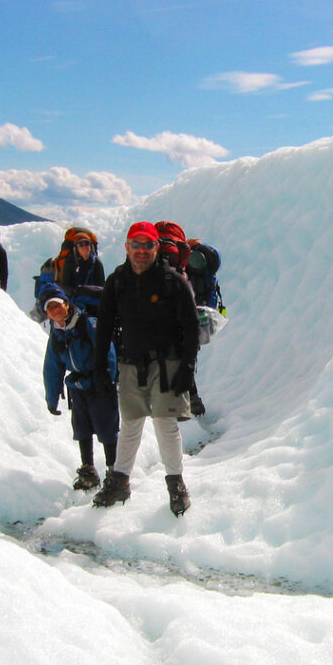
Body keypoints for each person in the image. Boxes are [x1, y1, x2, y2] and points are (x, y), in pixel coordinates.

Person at [92, 221, 200, 516]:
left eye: (148, 245)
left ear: (156, 247)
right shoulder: (117, 281)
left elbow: (191, 328)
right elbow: (104, 325)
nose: (142, 251)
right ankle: (120, 481)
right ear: (127, 247)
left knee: (165, 425)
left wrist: (187, 369)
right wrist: (99, 366)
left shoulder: (172, 281)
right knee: (130, 424)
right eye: (136, 245)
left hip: (167, 363)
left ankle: (176, 485)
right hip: (131, 363)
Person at [41, 284, 119, 491]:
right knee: (82, 429)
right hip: (77, 386)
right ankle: (88, 471)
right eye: (50, 308)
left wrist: (108, 379)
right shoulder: (57, 335)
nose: (55, 311)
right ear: (47, 314)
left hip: (99, 383)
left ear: (67, 304)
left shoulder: (88, 324)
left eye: (58, 305)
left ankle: (114, 472)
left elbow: (107, 350)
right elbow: (52, 367)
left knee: (107, 428)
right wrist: (52, 399)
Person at [155, 221, 206, 417]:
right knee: (183, 357)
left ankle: (178, 404)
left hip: (163, 316)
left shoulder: (157, 252)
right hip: (184, 315)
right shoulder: (181, 254)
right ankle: (193, 401)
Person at [61, 231, 105, 315]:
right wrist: (77, 293)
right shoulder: (70, 263)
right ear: (76, 248)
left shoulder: (97, 263)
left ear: (91, 246)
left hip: (94, 303)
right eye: (81, 244)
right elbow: (65, 285)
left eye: (87, 243)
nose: (84, 246)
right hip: (75, 303)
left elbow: (101, 286)